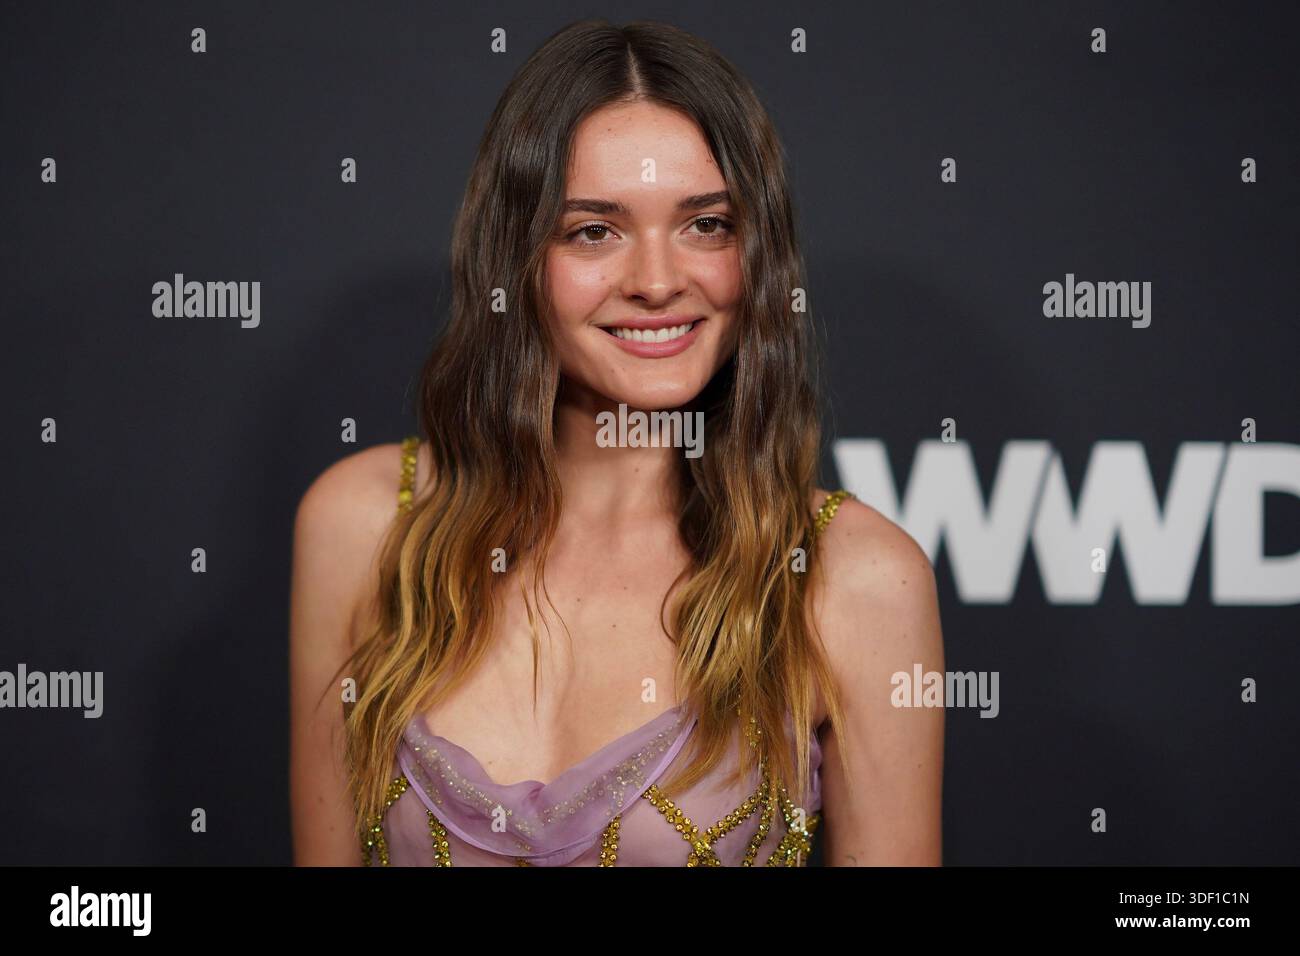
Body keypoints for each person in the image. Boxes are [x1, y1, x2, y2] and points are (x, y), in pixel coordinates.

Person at [289, 18, 944, 866]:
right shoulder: (366, 524)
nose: (658, 281)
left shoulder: (851, 576)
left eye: (705, 224)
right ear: (516, 259)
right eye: (594, 230)